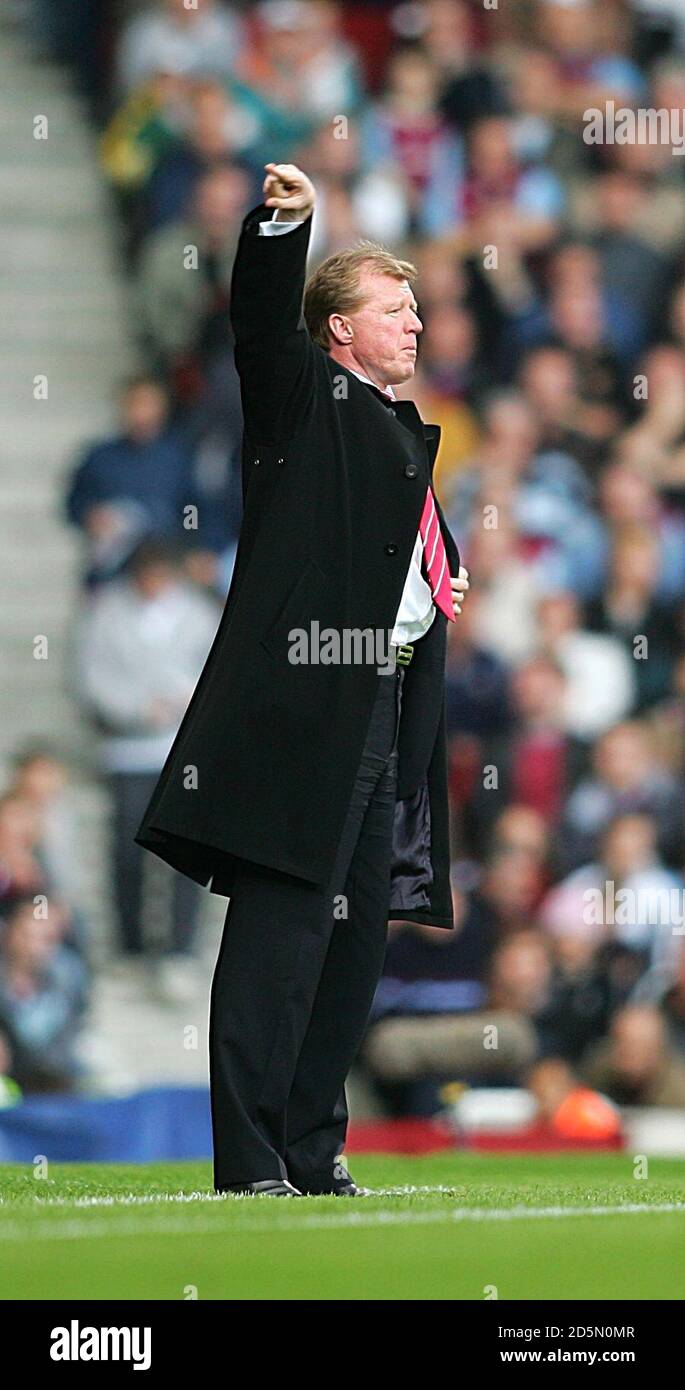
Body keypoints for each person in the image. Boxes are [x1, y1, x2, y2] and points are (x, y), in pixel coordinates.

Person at [135, 161, 469, 1196]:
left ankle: (315, 1147)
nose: (414, 323)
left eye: (416, 307)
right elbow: (258, 327)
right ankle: (248, 1160)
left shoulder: (397, 428)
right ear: (337, 330)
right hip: (304, 716)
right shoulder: (303, 395)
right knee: (281, 938)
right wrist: (287, 227)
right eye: (391, 308)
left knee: (352, 945)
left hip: (380, 709)